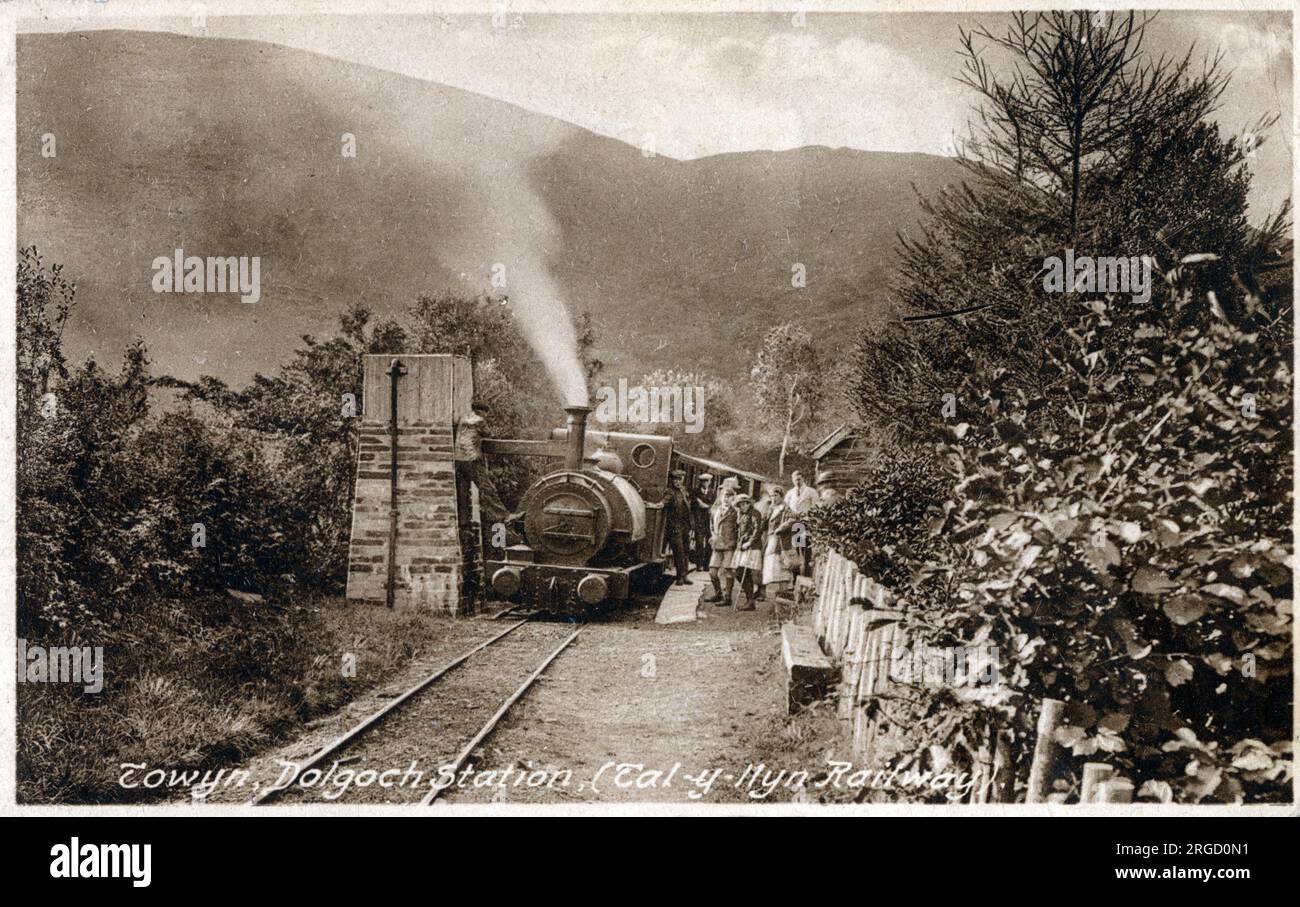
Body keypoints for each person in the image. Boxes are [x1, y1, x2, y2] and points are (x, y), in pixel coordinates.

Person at [706, 478, 739, 605]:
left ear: (733, 499)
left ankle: (727, 597)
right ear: (721, 497)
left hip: (729, 545)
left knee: (728, 571)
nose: (726, 499)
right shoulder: (716, 510)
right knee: (712, 572)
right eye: (725, 496)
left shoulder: (735, 512)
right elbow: (711, 525)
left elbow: (738, 529)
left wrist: (735, 542)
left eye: (729, 497)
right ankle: (718, 593)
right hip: (717, 544)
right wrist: (712, 535)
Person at [730, 494, 764, 611]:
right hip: (742, 546)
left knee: (742, 572)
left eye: (745, 503)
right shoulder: (742, 515)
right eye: (741, 504)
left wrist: (749, 542)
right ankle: (750, 600)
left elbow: (757, 529)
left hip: (751, 547)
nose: (743, 506)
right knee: (741, 573)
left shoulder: (755, 513)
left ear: (749, 503)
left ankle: (750, 601)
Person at [783, 470, 820, 576]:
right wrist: (791, 515)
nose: (797, 482)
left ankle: (807, 575)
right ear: (792, 480)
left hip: (806, 524)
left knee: (806, 551)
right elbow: (786, 508)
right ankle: (796, 577)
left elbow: (816, 508)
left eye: (799, 479)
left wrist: (806, 515)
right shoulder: (790, 493)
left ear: (803, 478)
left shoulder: (811, 492)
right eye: (795, 480)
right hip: (794, 525)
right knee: (795, 552)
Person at [761, 484, 796, 594]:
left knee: (781, 570)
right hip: (770, 541)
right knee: (768, 568)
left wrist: (781, 528)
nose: (773, 498)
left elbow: (793, 519)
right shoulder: (771, 509)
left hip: (781, 542)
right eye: (771, 496)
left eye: (776, 495)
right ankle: (762, 593)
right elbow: (765, 523)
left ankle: (783, 594)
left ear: (781, 496)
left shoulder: (785, 508)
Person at [663, 469, 693, 585]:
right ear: (672, 480)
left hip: (684, 526)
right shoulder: (670, 492)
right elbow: (664, 502)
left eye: (679, 479)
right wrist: (658, 504)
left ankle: (685, 575)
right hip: (674, 526)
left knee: (686, 550)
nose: (677, 482)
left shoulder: (683, 491)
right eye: (675, 479)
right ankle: (679, 577)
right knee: (678, 552)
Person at [691, 474, 715, 571]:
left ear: (710, 482)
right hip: (699, 521)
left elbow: (714, 506)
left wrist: (706, 506)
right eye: (703, 481)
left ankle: (707, 565)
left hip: (709, 522)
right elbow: (693, 506)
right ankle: (699, 565)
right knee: (699, 543)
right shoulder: (695, 492)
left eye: (707, 481)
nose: (705, 483)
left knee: (709, 543)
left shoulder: (713, 492)